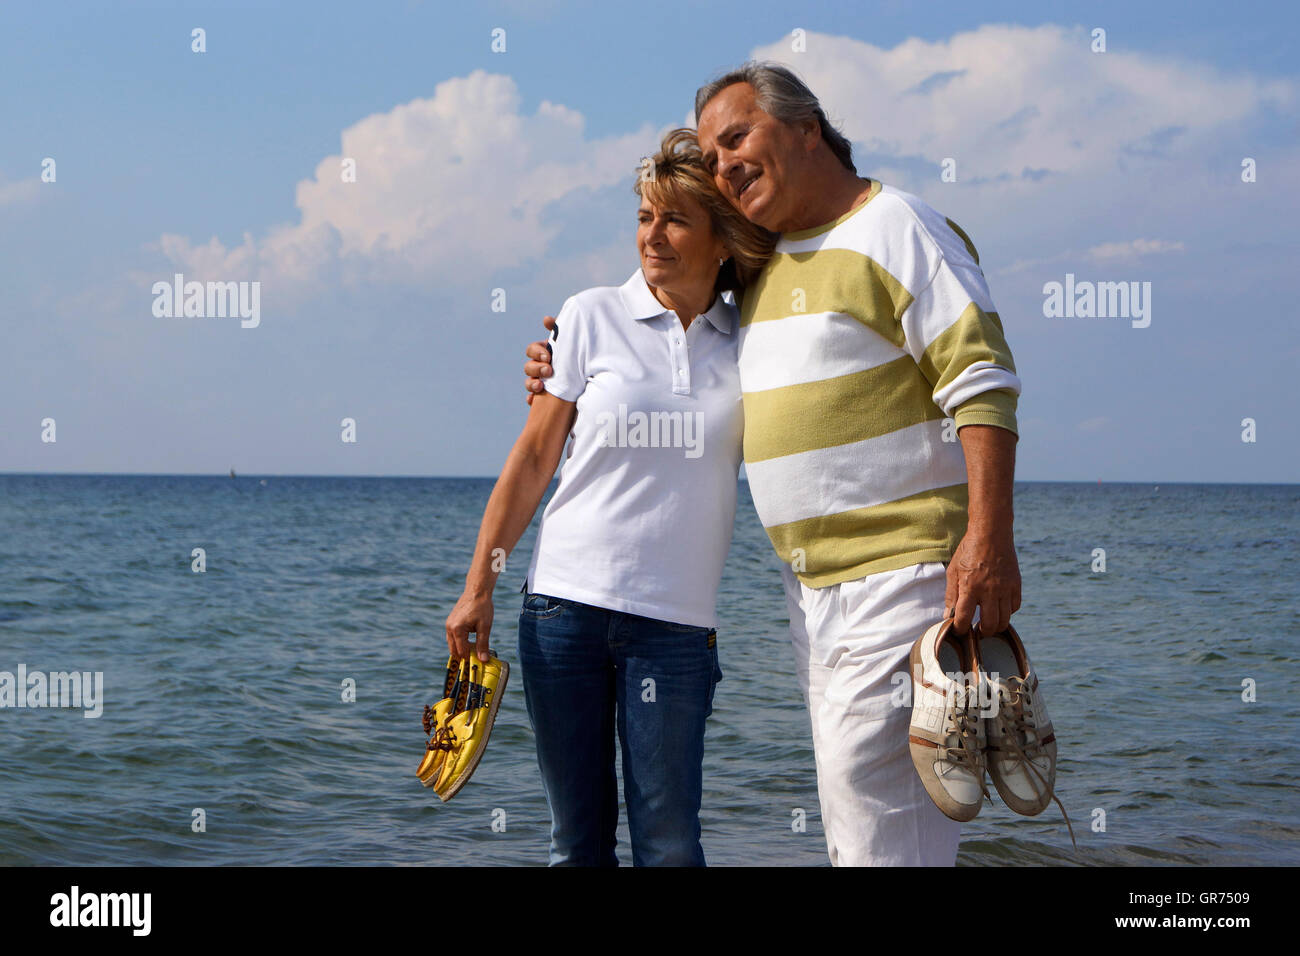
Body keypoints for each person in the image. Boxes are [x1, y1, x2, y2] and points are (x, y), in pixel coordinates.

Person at [524, 62, 1023, 866]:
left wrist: (988, 543)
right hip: (814, 591)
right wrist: (566, 354)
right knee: (869, 809)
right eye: (714, 159)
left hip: (903, 572)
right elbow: (663, 322)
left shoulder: (900, 226)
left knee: (871, 807)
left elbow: (983, 383)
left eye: (737, 138)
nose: (725, 166)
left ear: (805, 128)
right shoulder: (763, 271)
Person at [444, 127, 775, 866]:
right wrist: (478, 589)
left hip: (677, 629)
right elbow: (533, 460)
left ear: (722, 238)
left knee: (670, 843)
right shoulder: (590, 316)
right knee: (578, 843)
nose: (652, 237)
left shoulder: (753, 336)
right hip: (564, 613)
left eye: (675, 220)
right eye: (643, 217)